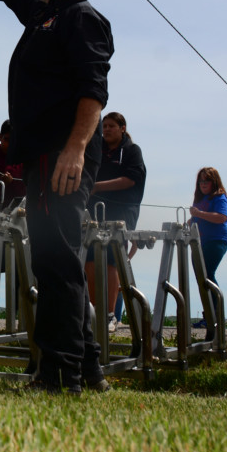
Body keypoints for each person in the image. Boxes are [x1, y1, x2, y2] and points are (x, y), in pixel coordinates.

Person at [0, 0, 113, 395]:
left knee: (55, 262)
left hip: (60, 154)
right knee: (58, 258)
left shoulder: (83, 18)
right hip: (44, 153)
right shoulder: (47, 14)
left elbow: (94, 91)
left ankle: (57, 375)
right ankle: (87, 370)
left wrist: (75, 149)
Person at [86, 112, 146, 332]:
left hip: (122, 212)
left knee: (112, 257)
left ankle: (110, 314)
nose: (107, 129)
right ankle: (94, 311)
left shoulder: (132, 151)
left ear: (122, 128)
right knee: (89, 257)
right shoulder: (95, 149)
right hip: (94, 212)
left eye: (111, 125)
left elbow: (130, 180)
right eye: (105, 126)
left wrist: (97, 186)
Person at [189, 166, 227, 327]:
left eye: (207, 180)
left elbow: (221, 217)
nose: (203, 183)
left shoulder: (219, 198)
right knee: (202, 278)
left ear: (214, 182)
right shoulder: (200, 200)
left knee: (207, 275)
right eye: (201, 181)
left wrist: (199, 214)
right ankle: (209, 315)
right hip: (200, 242)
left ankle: (215, 316)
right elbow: (194, 220)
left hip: (216, 241)